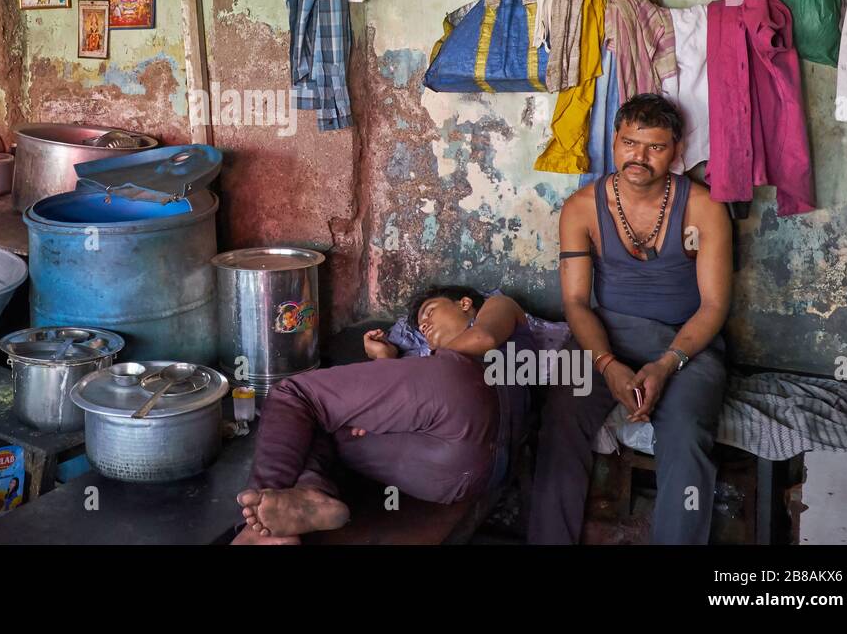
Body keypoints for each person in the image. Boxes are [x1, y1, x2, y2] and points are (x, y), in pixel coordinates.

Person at [528, 93, 731, 545]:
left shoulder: (704, 208)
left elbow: (714, 306)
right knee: (560, 417)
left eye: (654, 147)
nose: (638, 157)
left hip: (687, 346)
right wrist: (606, 364)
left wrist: (665, 365)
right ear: (615, 142)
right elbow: (577, 303)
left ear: (677, 151)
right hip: (604, 337)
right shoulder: (581, 207)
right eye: (629, 143)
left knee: (686, 435)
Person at [232, 286, 533, 544]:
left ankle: (256, 521)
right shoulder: (437, 367)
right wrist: (386, 363)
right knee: (323, 425)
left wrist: (400, 371)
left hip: (471, 395)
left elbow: (481, 340)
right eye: (420, 325)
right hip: (462, 477)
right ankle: (309, 494)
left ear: (464, 303)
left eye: (430, 311)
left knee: (293, 393)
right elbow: (423, 390)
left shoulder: (498, 305)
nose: (424, 324)